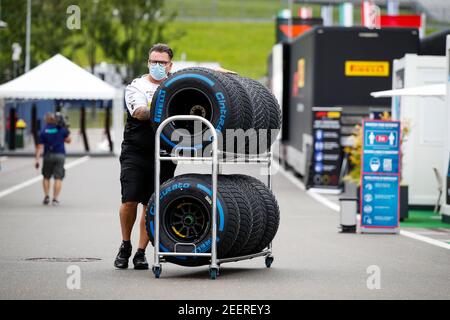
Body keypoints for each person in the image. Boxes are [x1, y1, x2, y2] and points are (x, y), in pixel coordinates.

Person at [114, 43, 177, 270]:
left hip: (164, 153)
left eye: (162, 63)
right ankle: (125, 245)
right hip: (135, 152)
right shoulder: (136, 87)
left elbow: (198, 76)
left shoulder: (176, 83)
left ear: (170, 65)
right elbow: (140, 113)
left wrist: (218, 74)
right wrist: (168, 108)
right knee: (129, 199)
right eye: (153, 62)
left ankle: (141, 252)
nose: (157, 66)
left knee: (151, 204)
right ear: (148, 62)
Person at [35, 112, 71, 205]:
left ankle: (46, 196)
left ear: (46, 120)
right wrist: (66, 129)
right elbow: (68, 140)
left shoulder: (44, 130)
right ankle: (55, 198)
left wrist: (37, 159)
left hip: (48, 155)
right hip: (60, 155)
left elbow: (39, 146)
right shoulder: (61, 128)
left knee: (46, 176)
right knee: (58, 177)